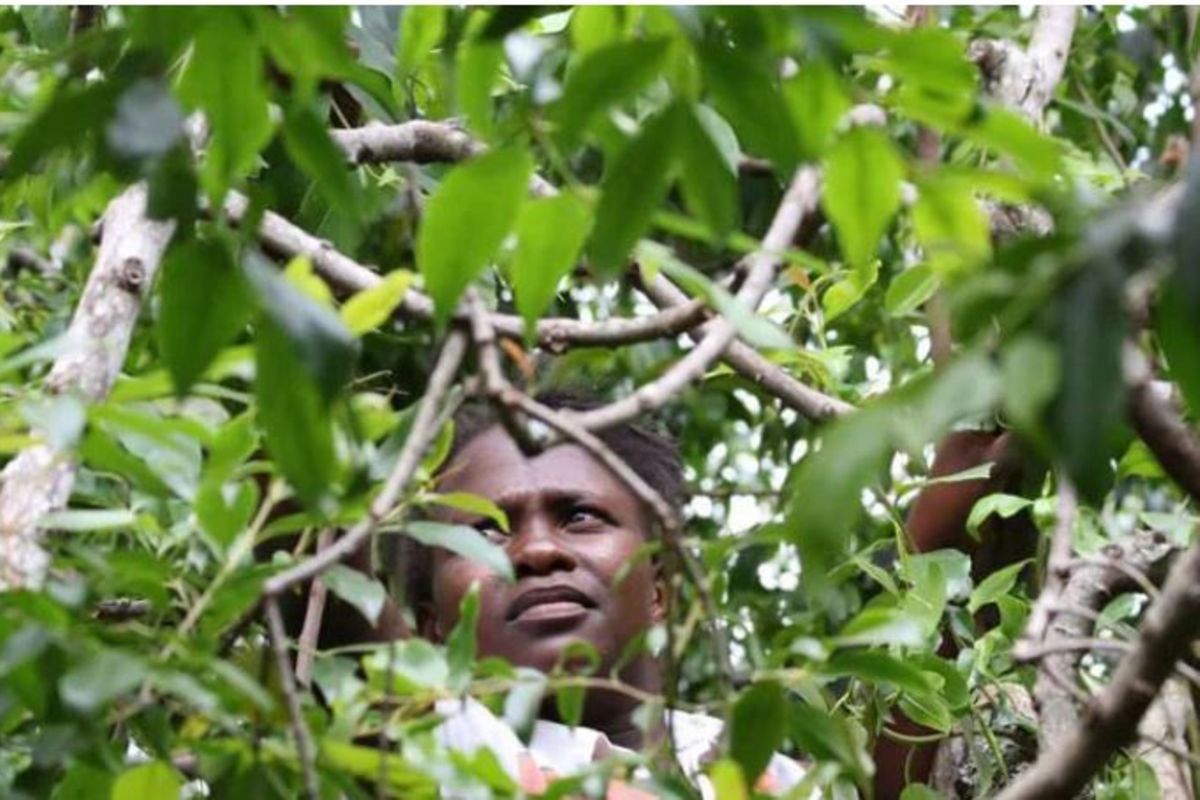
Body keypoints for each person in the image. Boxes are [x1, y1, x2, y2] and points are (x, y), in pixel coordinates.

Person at [396, 392, 806, 797]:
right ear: (433, 632)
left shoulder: (778, 777)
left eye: (580, 517)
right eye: (487, 531)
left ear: (659, 590)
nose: (538, 551)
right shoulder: (421, 754)